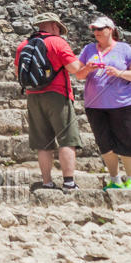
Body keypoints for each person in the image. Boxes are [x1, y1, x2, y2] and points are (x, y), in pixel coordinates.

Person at [15, 11, 83, 190]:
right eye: (59, 28)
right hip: (57, 95)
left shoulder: (24, 45)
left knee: (43, 143)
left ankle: (47, 182)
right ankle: (69, 183)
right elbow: (74, 68)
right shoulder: (57, 42)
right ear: (54, 26)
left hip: (33, 96)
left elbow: (17, 73)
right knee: (67, 139)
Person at [76, 16, 131, 190]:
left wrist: (119, 73)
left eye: (100, 29)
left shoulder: (124, 49)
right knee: (105, 144)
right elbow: (79, 75)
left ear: (111, 30)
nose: (96, 32)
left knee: (128, 142)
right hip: (95, 105)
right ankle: (114, 179)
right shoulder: (88, 49)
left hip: (125, 104)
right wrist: (87, 68)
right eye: (94, 29)